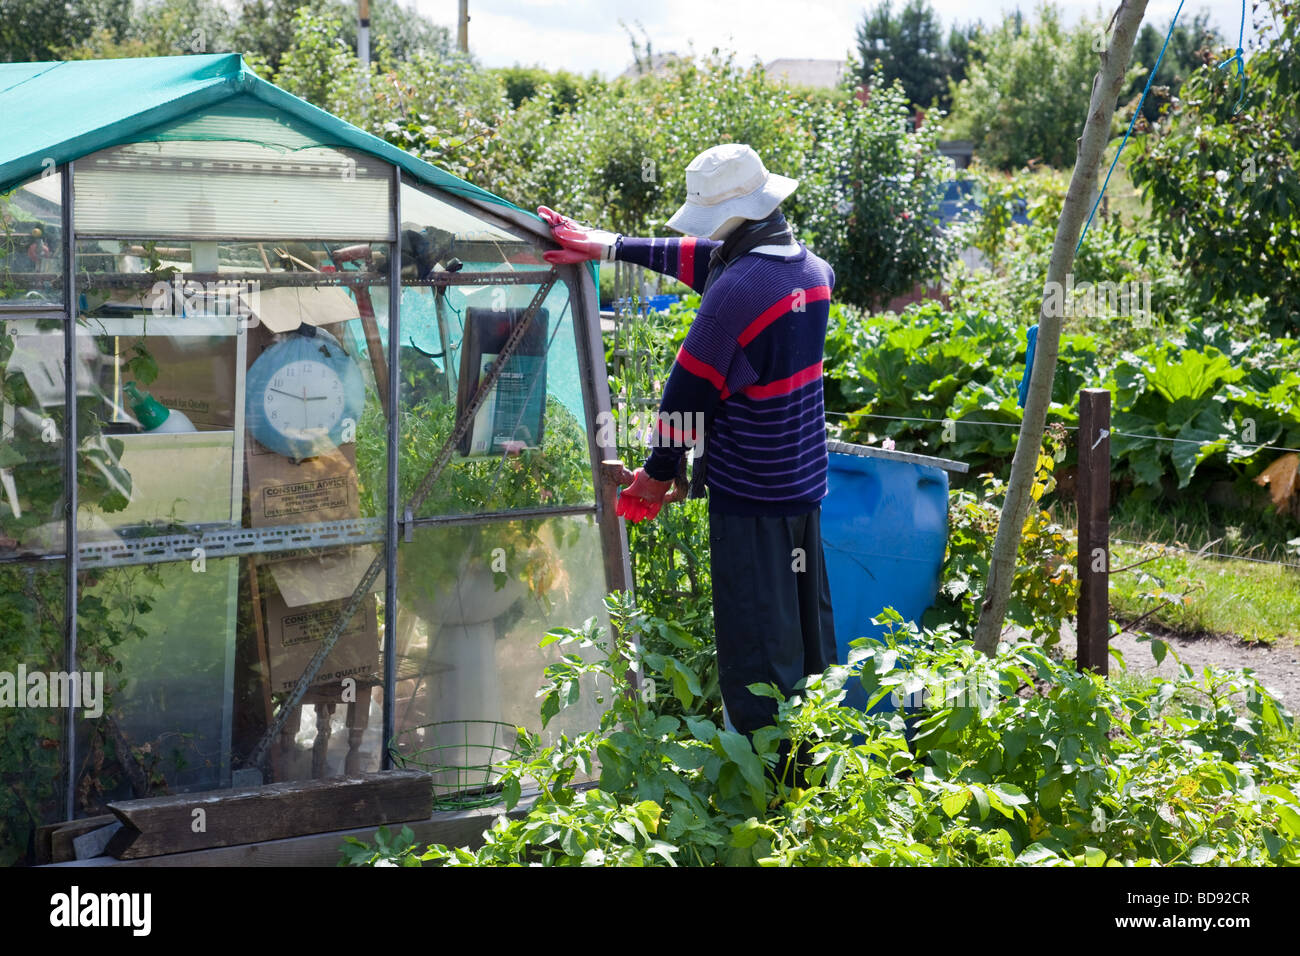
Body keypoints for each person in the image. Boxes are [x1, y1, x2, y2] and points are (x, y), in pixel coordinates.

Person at [538, 142, 837, 746]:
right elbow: (701, 258)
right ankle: (815, 787)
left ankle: (764, 797)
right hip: (802, 491)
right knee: (805, 643)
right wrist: (610, 245)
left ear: (729, 218)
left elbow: (687, 395)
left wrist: (655, 473)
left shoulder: (737, 293)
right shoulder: (809, 272)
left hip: (750, 500)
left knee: (757, 660)